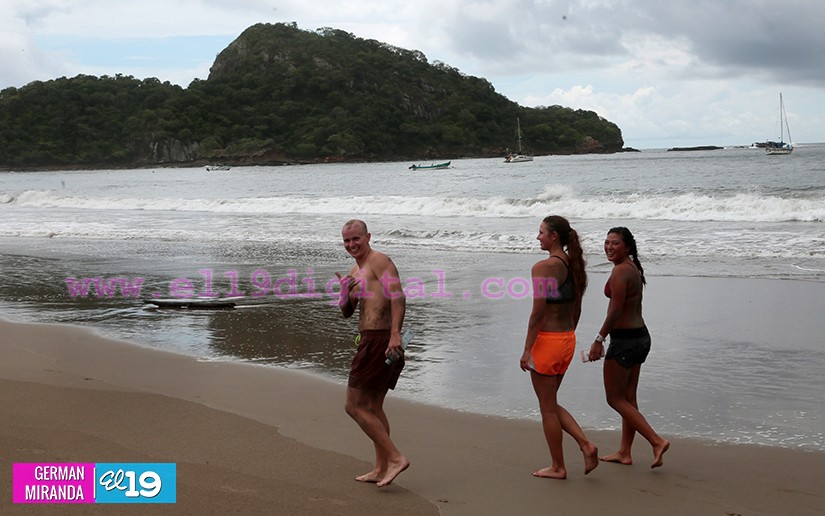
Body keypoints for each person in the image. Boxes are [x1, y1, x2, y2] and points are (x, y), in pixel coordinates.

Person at [520, 215, 599, 479]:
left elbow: (537, 313)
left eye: (541, 232)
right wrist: (568, 337)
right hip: (566, 339)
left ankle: (558, 466)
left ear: (554, 236)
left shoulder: (543, 267)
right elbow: (577, 308)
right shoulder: (573, 264)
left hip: (547, 342)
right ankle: (586, 446)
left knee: (547, 408)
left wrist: (527, 349)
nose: (537, 236)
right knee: (551, 403)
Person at [335, 219, 409, 487]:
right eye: (346, 241)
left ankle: (396, 458)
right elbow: (347, 312)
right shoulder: (356, 269)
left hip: (381, 340)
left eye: (356, 239)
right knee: (374, 407)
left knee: (353, 405)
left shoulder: (379, 261)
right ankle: (381, 467)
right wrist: (344, 292)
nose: (351, 245)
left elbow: (398, 296)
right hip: (369, 339)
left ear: (368, 237)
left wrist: (395, 335)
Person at [588, 227, 670, 469]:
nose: (609, 247)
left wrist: (599, 339)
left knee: (614, 398)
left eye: (615, 243)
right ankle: (625, 452)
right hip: (640, 337)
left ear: (628, 247)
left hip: (625, 341)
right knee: (628, 398)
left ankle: (656, 441)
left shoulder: (621, 271)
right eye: (606, 242)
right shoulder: (632, 267)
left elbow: (615, 310)